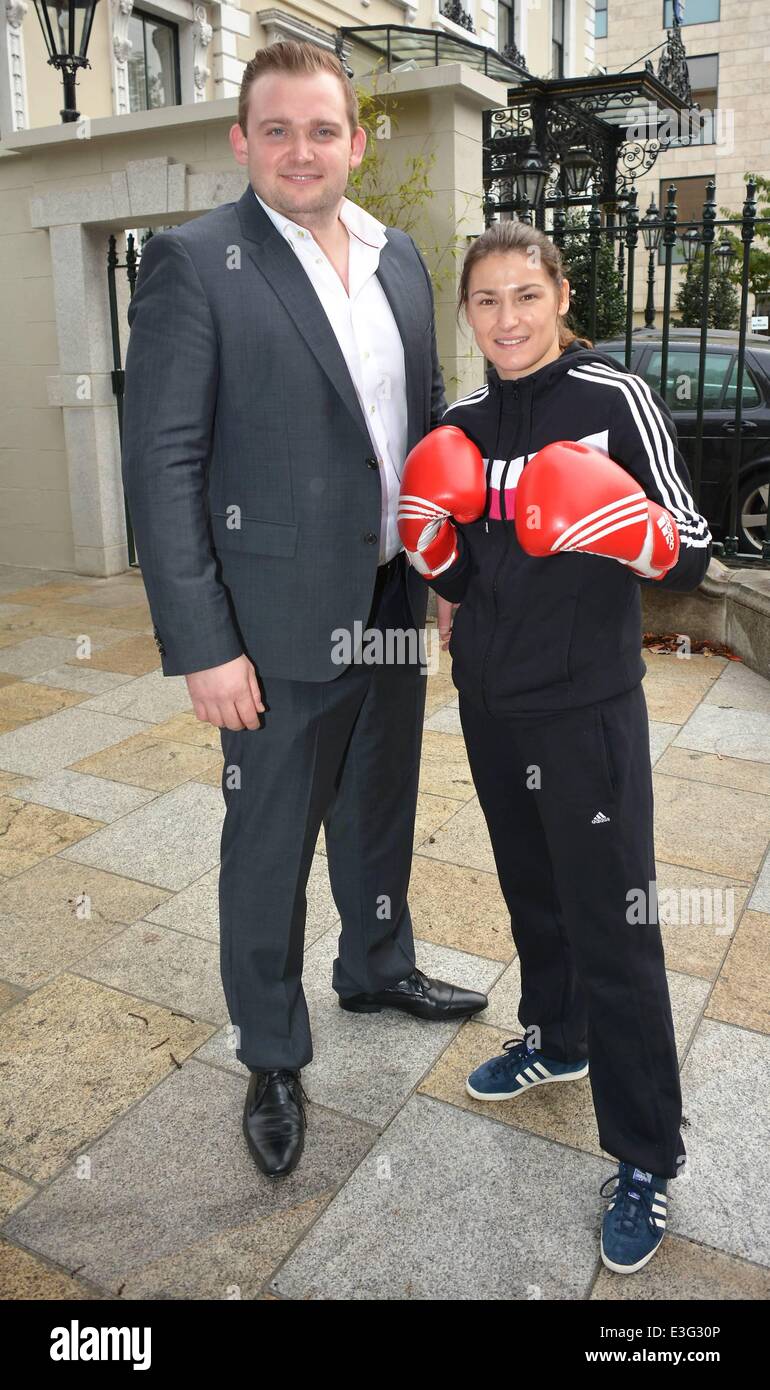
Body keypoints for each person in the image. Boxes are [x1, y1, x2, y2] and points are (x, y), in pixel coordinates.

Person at [121, 39, 487, 1183]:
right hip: (272, 619)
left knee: (378, 802)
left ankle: (374, 964)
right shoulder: (195, 262)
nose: (299, 149)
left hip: (384, 590)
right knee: (268, 842)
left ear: (354, 141)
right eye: (275, 129)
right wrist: (204, 643)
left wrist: (432, 567)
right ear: (242, 141)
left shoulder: (396, 258)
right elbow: (164, 464)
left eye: (320, 129)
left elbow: (423, 425)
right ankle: (273, 1053)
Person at [397, 218, 712, 1275]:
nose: (505, 318)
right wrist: (435, 560)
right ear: (468, 315)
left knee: (612, 922)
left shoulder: (610, 400)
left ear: (560, 295)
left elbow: (691, 546)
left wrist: (626, 525)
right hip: (490, 700)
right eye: (484, 301)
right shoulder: (464, 419)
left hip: (585, 710)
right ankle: (556, 1036)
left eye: (523, 295)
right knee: (533, 894)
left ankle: (643, 1153)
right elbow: (458, 573)